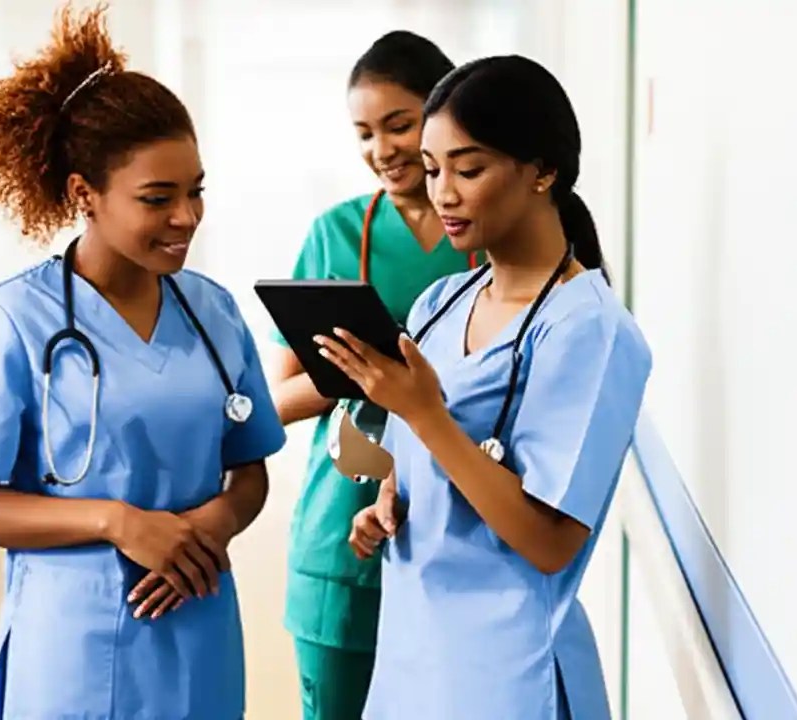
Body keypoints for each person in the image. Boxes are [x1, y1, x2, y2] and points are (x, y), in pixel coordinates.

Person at [0, 5, 286, 719]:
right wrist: (119, 522)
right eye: (158, 198)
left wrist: (210, 526)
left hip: (200, 618)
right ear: (83, 195)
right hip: (76, 637)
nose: (185, 217)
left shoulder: (212, 311)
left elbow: (250, 472)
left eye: (195, 191)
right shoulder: (12, 320)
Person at [315, 55, 653, 720]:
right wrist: (394, 501)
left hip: (506, 677)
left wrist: (420, 410)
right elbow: (442, 469)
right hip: (414, 663)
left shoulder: (590, 330)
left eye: (468, 169)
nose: (443, 192)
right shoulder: (442, 303)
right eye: (433, 169)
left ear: (543, 171)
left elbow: (550, 542)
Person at [268, 30, 473, 720]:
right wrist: (365, 376)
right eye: (364, 132)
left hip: (459, 523)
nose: (381, 149)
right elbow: (278, 399)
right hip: (340, 530)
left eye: (399, 124)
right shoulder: (335, 233)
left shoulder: (486, 234)